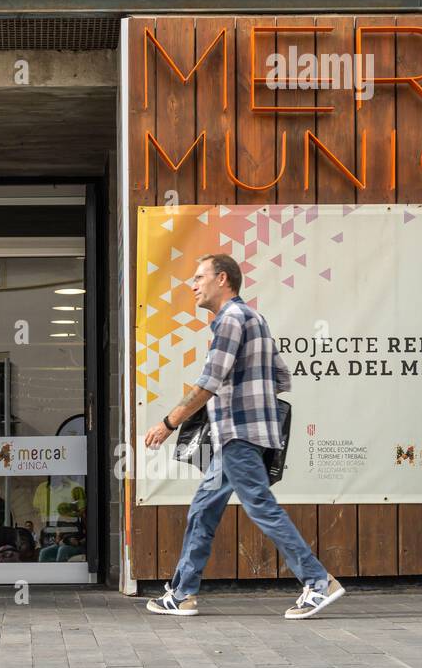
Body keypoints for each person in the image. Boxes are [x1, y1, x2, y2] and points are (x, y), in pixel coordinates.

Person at [144, 253, 345, 620]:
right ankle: (183, 593)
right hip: (238, 435)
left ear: (223, 279)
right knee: (203, 510)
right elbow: (282, 377)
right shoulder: (254, 318)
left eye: (199, 276)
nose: (193, 285)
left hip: (237, 433)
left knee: (261, 508)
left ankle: (318, 582)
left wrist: (167, 424)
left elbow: (208, 383)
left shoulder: (231, 320)